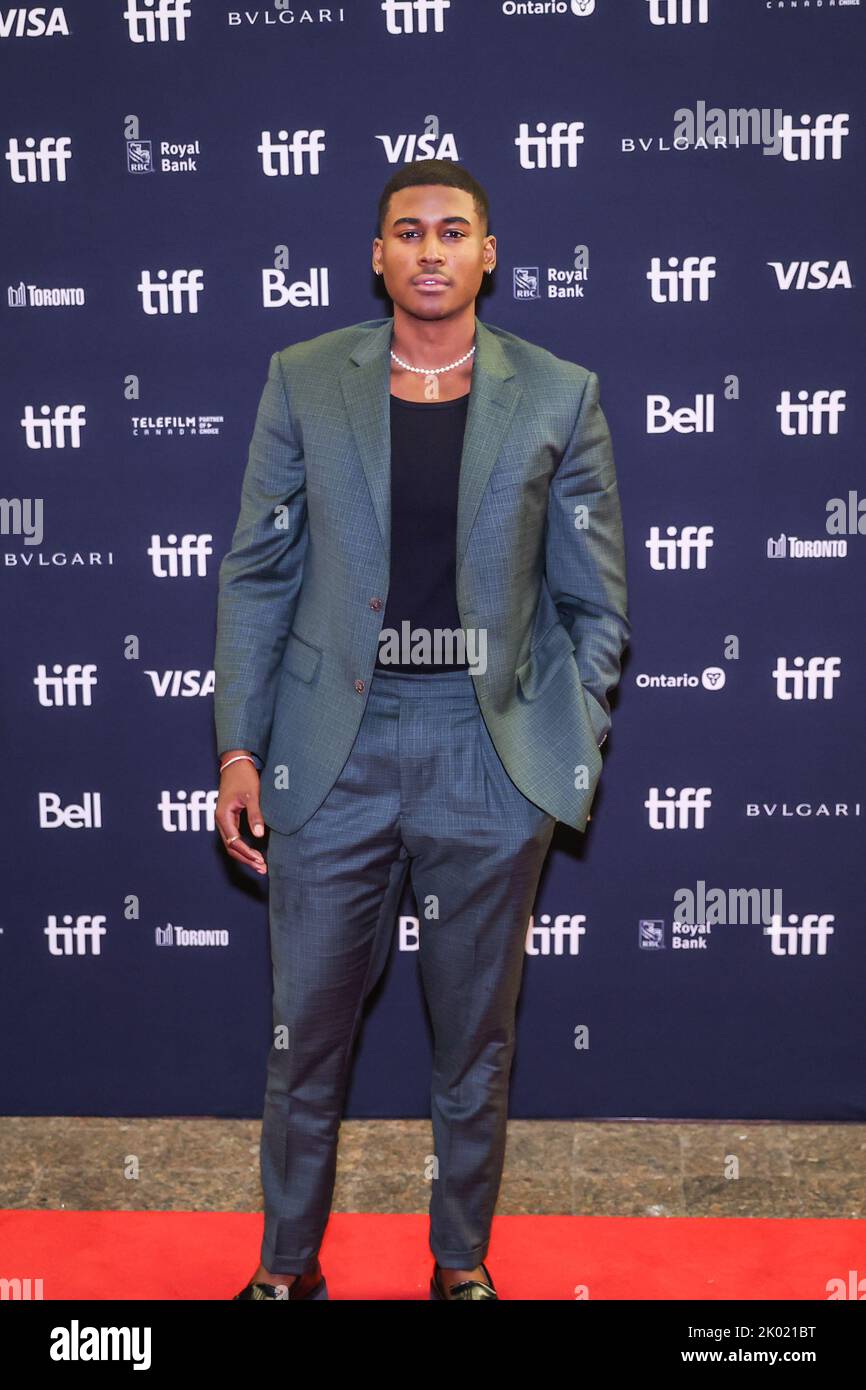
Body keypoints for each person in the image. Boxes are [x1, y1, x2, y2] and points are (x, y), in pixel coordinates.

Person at [213, 158, 630, 1301]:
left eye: (454, 231)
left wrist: (562, 738)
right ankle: (285, 1270)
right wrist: (239, 748)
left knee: (474, 1048)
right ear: (378, 255)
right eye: (409, 231)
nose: (431, 250)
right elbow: (258, 574)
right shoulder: (303, 380)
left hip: (485, 752)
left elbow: (596, 601)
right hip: (327, 749)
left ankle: (458, 1265)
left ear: (487, 254)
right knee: (304, 1043)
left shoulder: (558, 392)